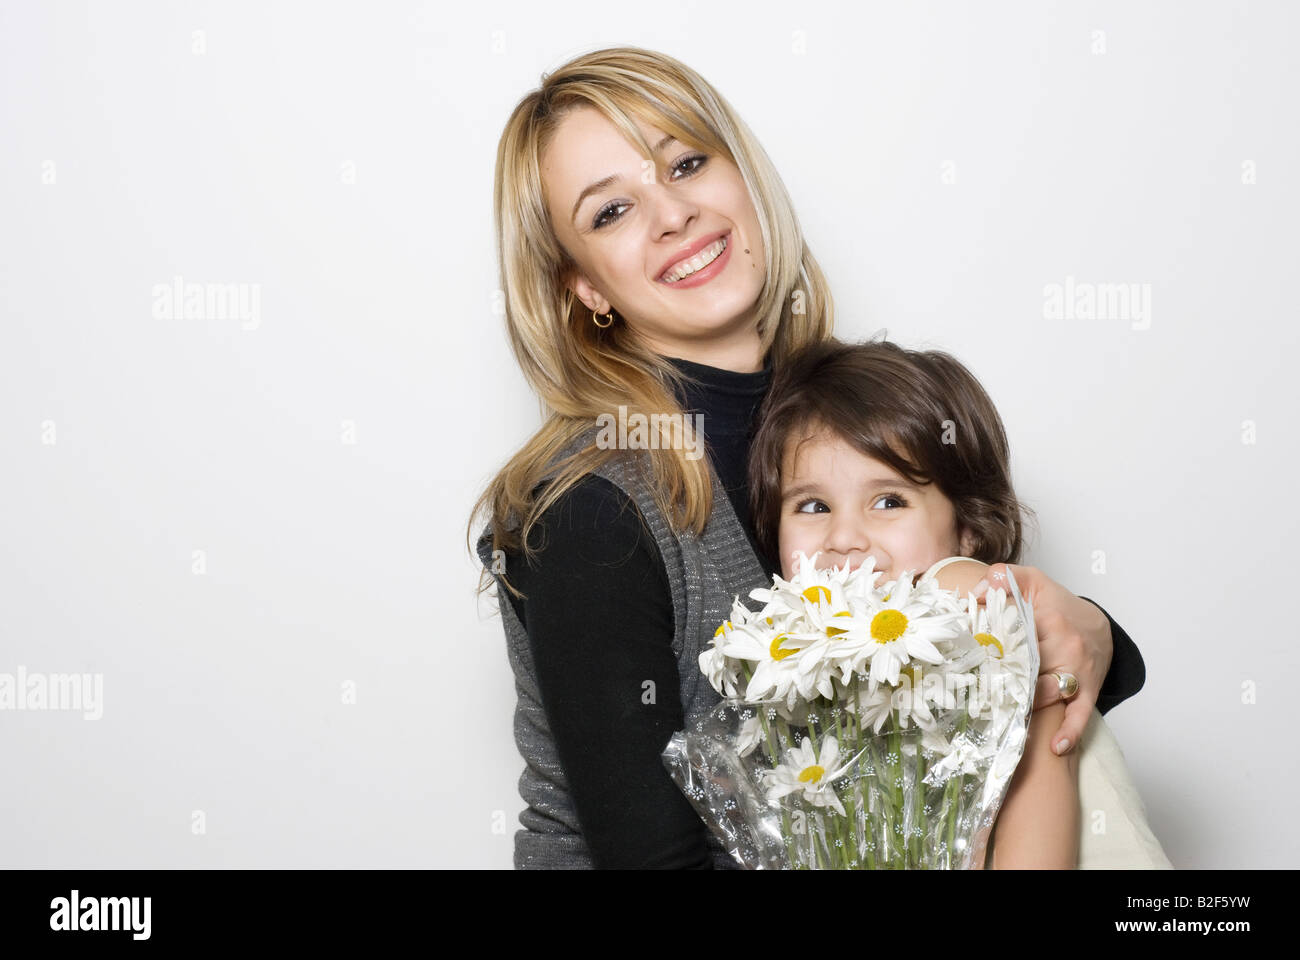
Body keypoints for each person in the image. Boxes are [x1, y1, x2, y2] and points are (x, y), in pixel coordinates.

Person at [466, 45, 1147, 869]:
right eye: (611, 211)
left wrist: (1090, 630)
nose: (672, 214)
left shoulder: (838, 415)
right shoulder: (592, 508)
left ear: (743, 176)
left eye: (686, 163)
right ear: (583, 287)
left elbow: (973, 668)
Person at [747, 335, 1172, 868]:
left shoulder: (961, 596)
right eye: (813, 506)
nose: (845, 538)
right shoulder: (829, 665)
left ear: (968, 529)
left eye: (889, 501)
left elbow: (1039, 794)